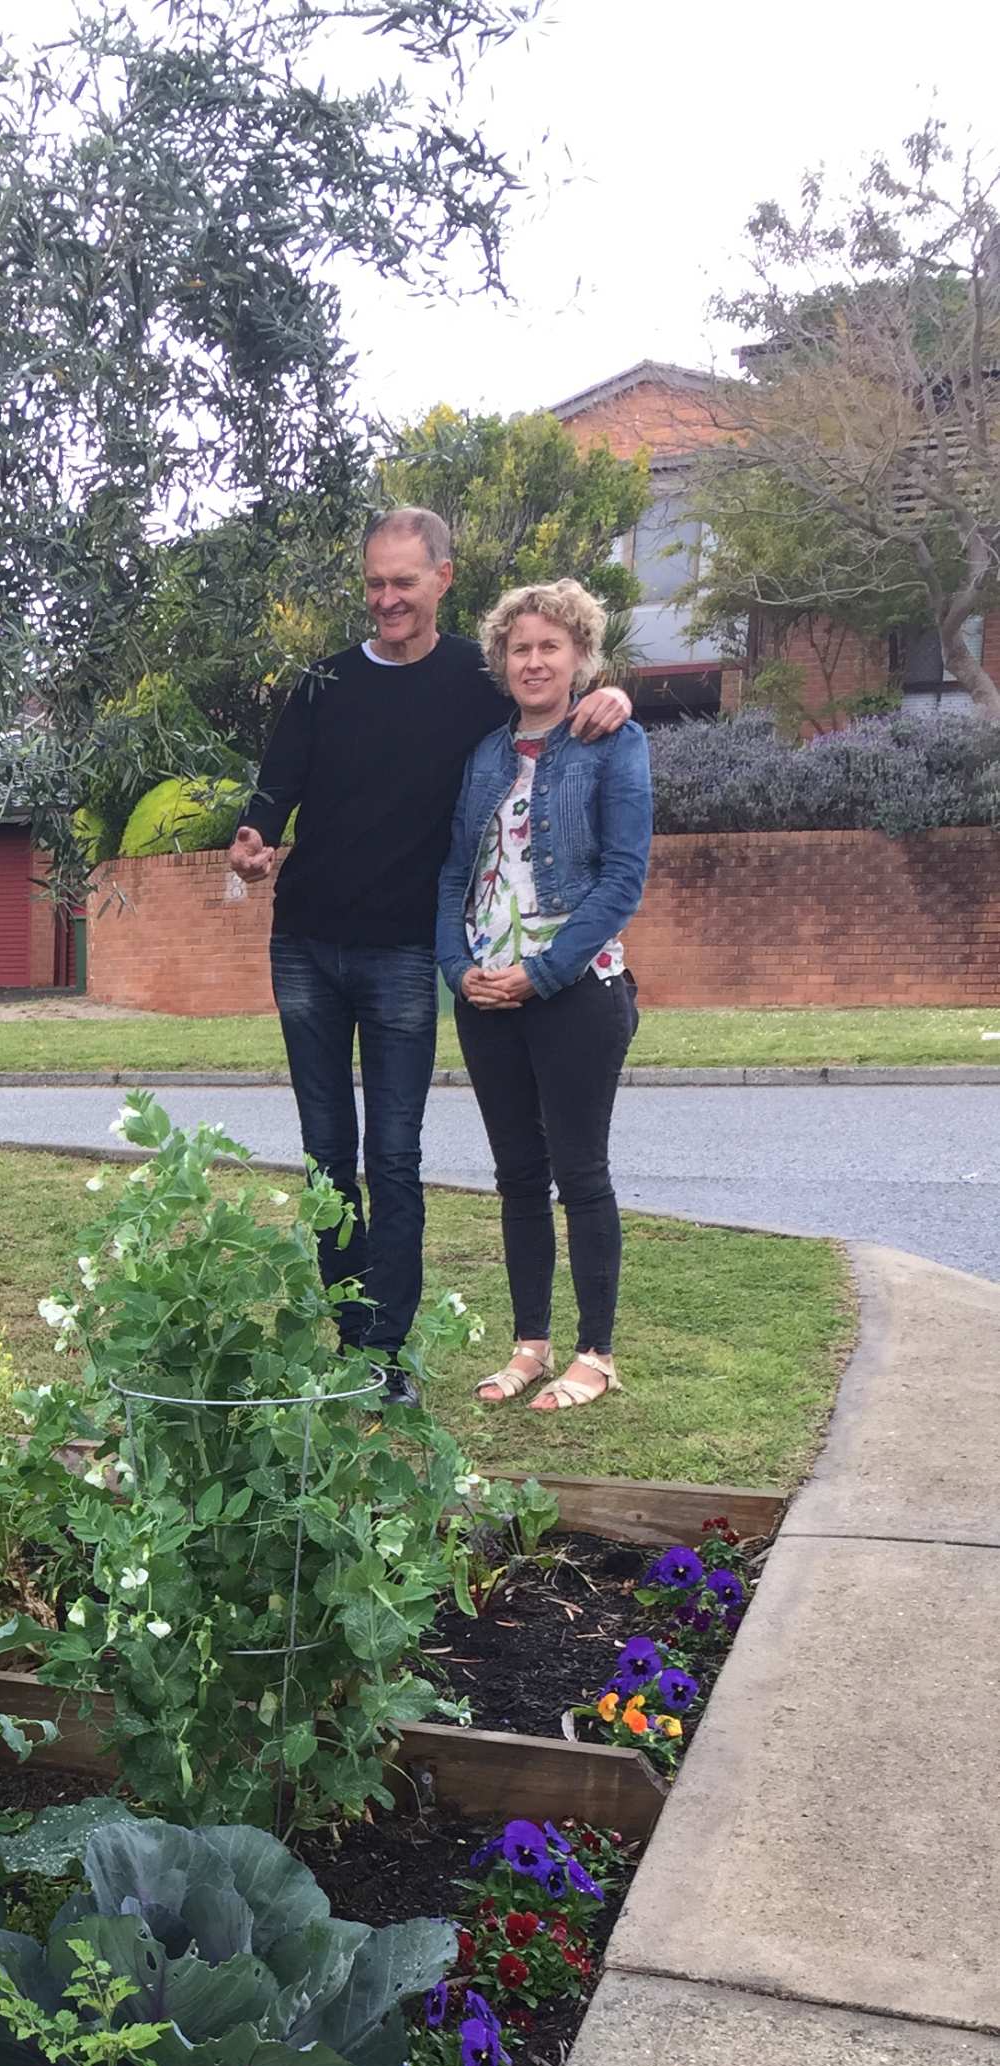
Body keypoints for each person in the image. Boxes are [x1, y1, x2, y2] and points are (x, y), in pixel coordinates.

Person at [227, 508, 628, 1404]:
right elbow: (271, 793)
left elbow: (550, 705)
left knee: (395, 1156)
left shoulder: (475, 683)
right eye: (374, 583)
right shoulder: (322, 682)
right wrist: (249, 839)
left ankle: (391, 1355)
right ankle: (349, 1339)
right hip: (304, 949)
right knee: (327, 1153)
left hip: (407, 956)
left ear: (444, 578)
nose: (387, 600)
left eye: (404, 581)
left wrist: (617, 693)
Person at [435, 579, 652, 1413]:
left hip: (576, 993)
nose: (533, 660)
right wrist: (458, 969)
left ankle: (596, 1353)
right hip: (487, 995)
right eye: (520, 648)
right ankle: (530, 1344)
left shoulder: (612, 740)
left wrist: (546, 970)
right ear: (502, 659)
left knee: (580, 1171)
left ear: (579, 658)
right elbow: (457, 871)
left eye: (550, 646)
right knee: (518, 1176)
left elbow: (623, 877)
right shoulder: (484, 756)